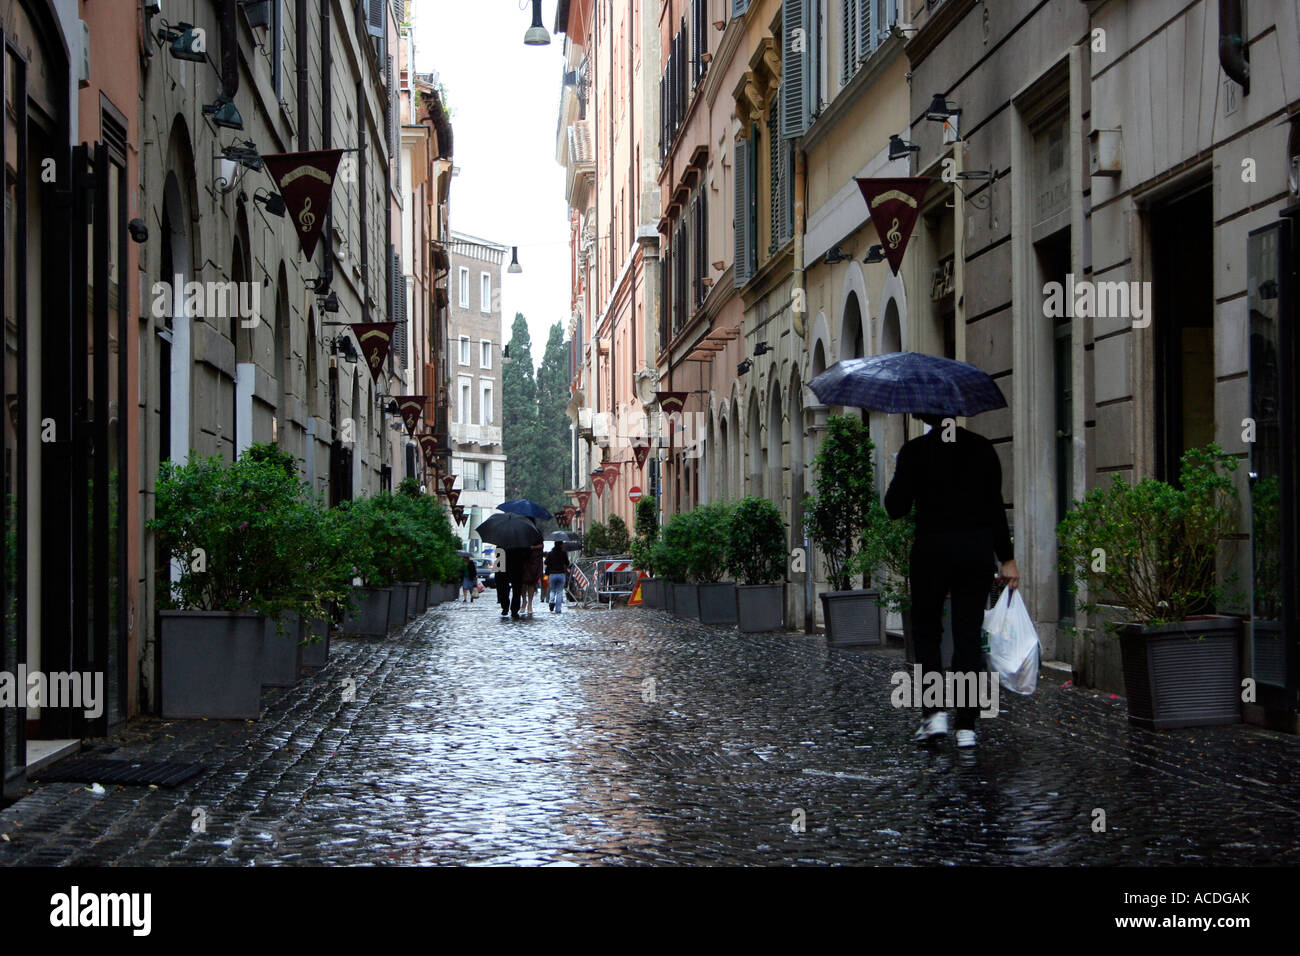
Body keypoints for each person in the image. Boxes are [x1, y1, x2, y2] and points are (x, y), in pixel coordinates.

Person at [884, 413, 1020, 750]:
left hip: (931, 551)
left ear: (923, 414)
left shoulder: (915, 451)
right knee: (968, 635)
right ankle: (967, 725)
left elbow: (894, 508)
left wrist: (906, 476)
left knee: (927, 633)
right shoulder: (982, 448)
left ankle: (934, 716)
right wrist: (1007, 558)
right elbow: (995, 509)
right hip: (974, 551)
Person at [504, 546, 531, 619]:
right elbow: (528, 556)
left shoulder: (505, 544)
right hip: (518, 569)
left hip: (508, 568)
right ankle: (514, 610)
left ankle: (507, 607)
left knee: (507, 589)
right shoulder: (523, 544)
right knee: (516, 591)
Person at [544, 540, 570, 613]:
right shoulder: (563, 553)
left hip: (552, 574)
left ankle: (551, 601)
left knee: (552, 590)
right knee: (559, 592)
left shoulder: (551, 553)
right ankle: (558, 609)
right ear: (561, 545)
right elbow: (567, 563)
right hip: (561, 574)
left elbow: (545, 562)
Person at [522, 542, 544, 617]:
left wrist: (532, 547)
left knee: (531, 583)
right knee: (523, 584)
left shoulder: (537, 536)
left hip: (534, 562)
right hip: (524, 561)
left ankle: (530, 604)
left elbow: (541, 546)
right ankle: (524, 601)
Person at [493, 547, 511, 617]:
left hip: (502, 568)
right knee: (504, 589)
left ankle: (505, 607)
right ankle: (505, 606)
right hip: (502, 568)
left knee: (502, 589)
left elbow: (497, 554)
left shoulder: (500, 544)